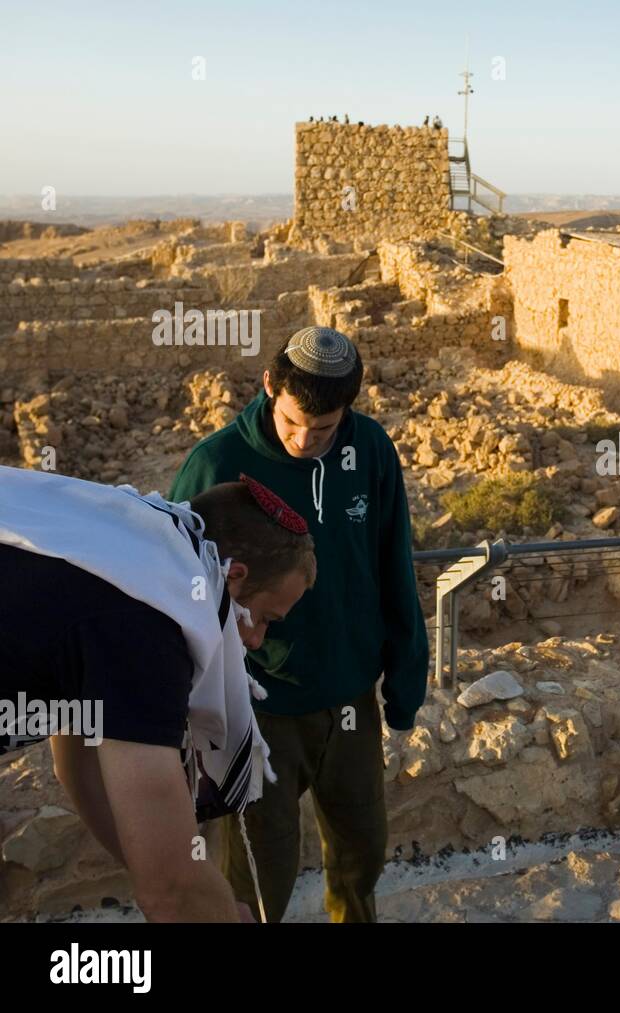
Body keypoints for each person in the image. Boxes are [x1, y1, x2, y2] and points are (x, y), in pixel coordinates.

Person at [169, 326, 429, 922]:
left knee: (362, 851)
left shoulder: (371, 451)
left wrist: (404, 685)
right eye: (290, 423)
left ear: (349, 410)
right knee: (261, 874)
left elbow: (394, 566)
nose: (304, 440)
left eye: (323, 429)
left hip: (350, 697)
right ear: (268, 386)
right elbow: (177, 589)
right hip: (258, 710)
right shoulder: (214, 464)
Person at [0, 468, 316, 921]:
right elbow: (169, 892)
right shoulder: (150, 625)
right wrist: (197, 901)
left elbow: (79, 764)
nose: (256, 642)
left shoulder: (128, 562)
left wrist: (200, 896)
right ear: (234, 578)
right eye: (266, 618)